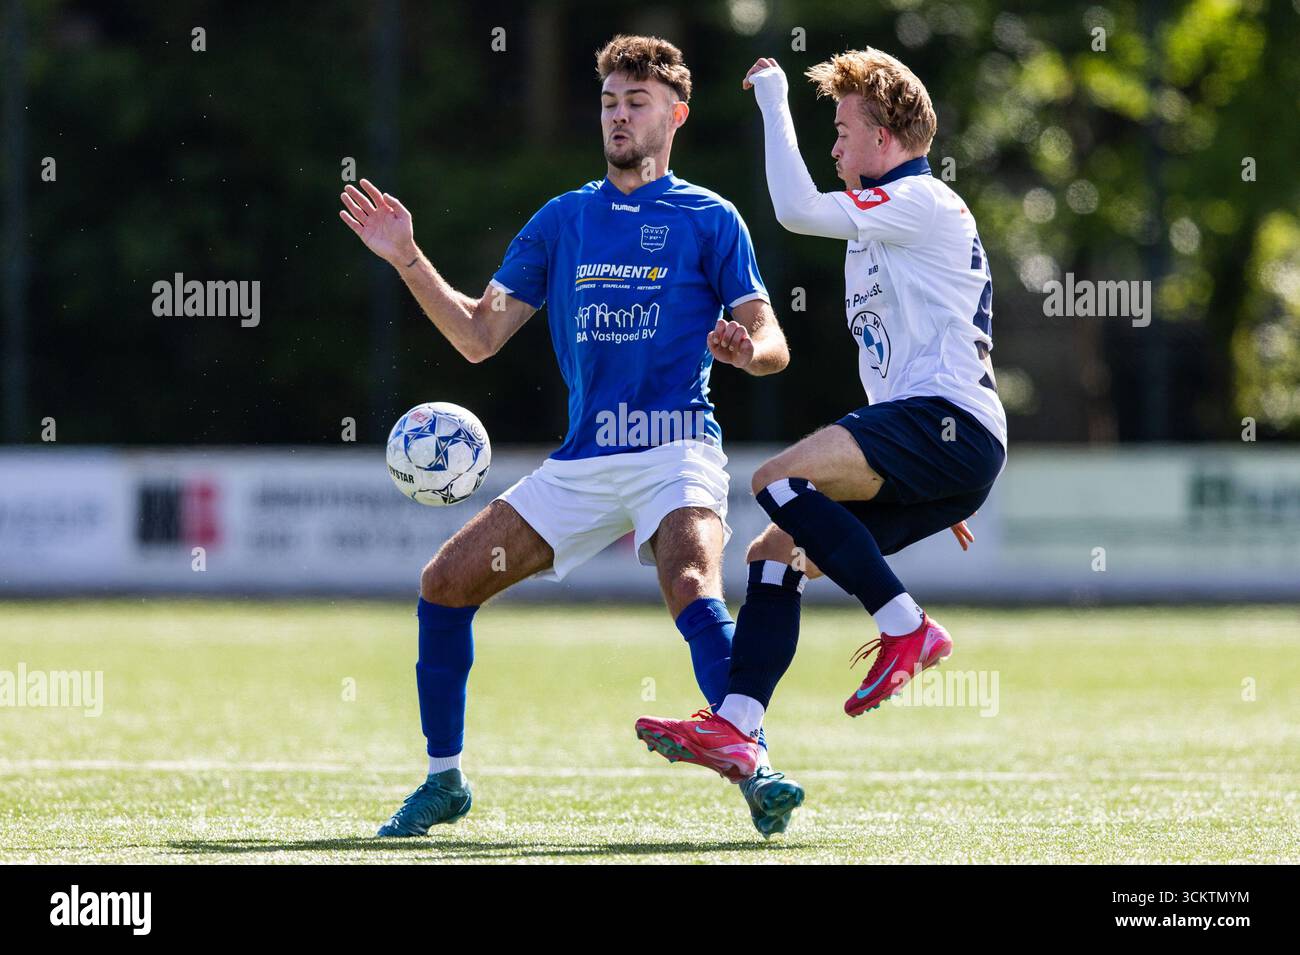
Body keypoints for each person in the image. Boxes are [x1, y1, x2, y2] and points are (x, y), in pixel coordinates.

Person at [339, 35, 799, 837]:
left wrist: (743, 347)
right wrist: (408, 257)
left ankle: (755, 766)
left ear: (676, 115)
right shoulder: (564, 219)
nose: (619, 118)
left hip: (673, 443)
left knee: (692, 579)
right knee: (444, 583)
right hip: (583, 461)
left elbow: (773, 343)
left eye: (637, 104)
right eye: (609, 104)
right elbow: (480, 337)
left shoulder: (710, 218)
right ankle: (444, 780)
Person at [635, 50, 1007, 799]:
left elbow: (795, 208)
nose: (834, 146)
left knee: (777, 479)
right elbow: (912, 351)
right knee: (775, 551)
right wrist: (930, 481)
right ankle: (739, 725)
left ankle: (906, 624)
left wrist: (772, 99)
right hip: (939, 438)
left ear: (886, 136)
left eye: (842, 129)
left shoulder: (921, 202)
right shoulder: (880, 228)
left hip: (947, 424)